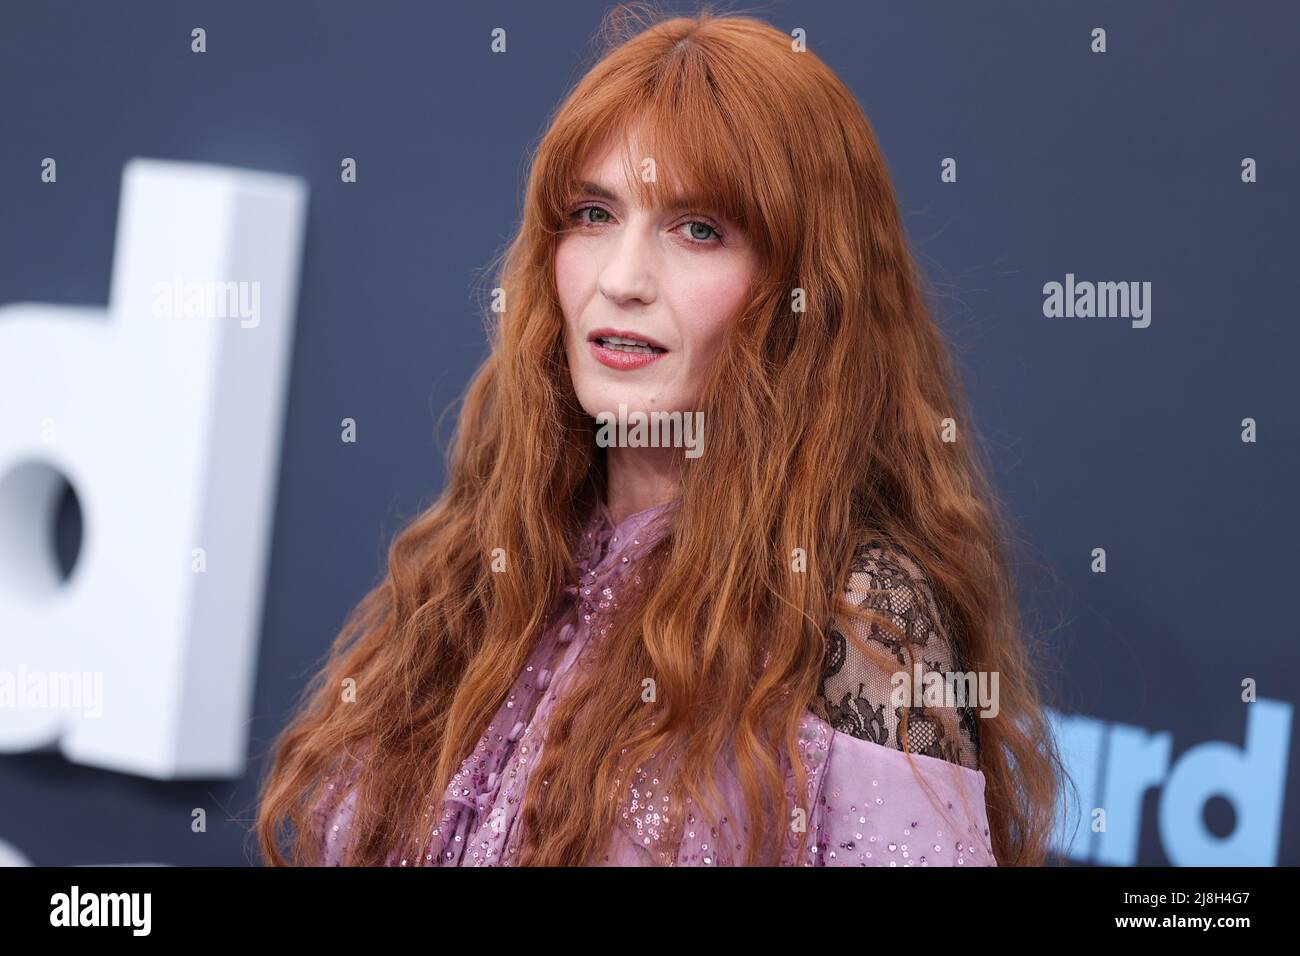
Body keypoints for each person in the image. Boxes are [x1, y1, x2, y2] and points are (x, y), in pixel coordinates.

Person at [257, 5, 1063, 867]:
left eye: (698, 229)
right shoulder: (487, 557)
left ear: (804, 295)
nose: (622, 279)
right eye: (594, 215)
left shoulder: (855, 616)